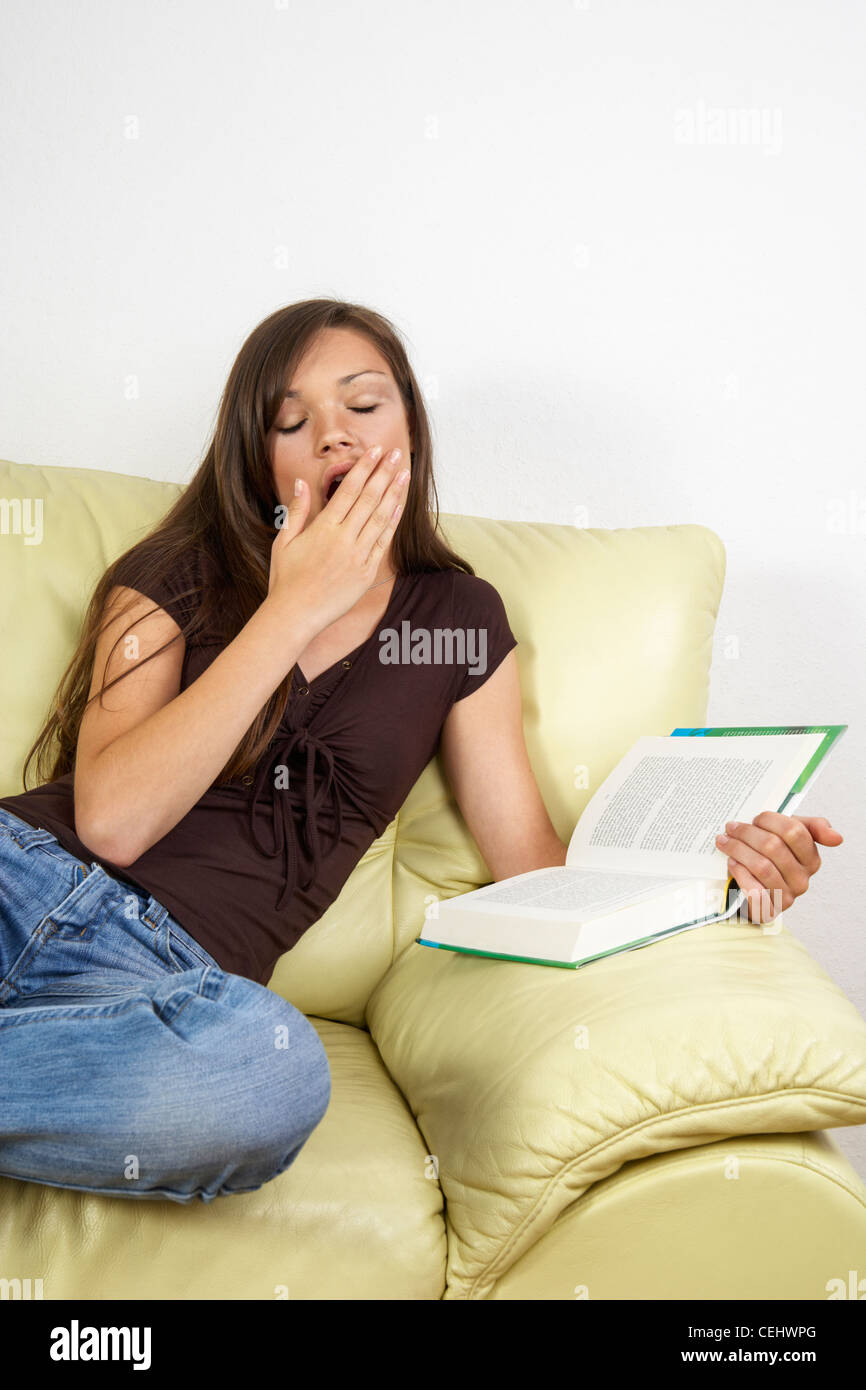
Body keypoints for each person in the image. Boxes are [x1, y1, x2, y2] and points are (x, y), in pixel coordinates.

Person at [0, 299, 840, 1205]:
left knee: (266, 1077)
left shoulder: (455, 622)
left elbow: (535, 869)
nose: (332, 437)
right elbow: (113, 822)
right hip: (26, 875)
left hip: (171, 988)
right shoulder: (174, 568)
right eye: (292, 421)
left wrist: (729, 881)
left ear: (411, 428)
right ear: (261, 461)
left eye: (363, 407)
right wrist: (293, 608)